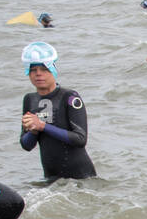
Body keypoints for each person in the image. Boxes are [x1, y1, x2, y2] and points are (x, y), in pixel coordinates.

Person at [19, 42, 96, 180]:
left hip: (81, 178)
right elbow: (26, 145)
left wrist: (42, 126)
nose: (38, 74)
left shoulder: (70, 97)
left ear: (53, 69)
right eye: (33, 70)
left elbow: (80, 139)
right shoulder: (29, 99)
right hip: (51, 179)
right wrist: (34, 131)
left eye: (44, 69)